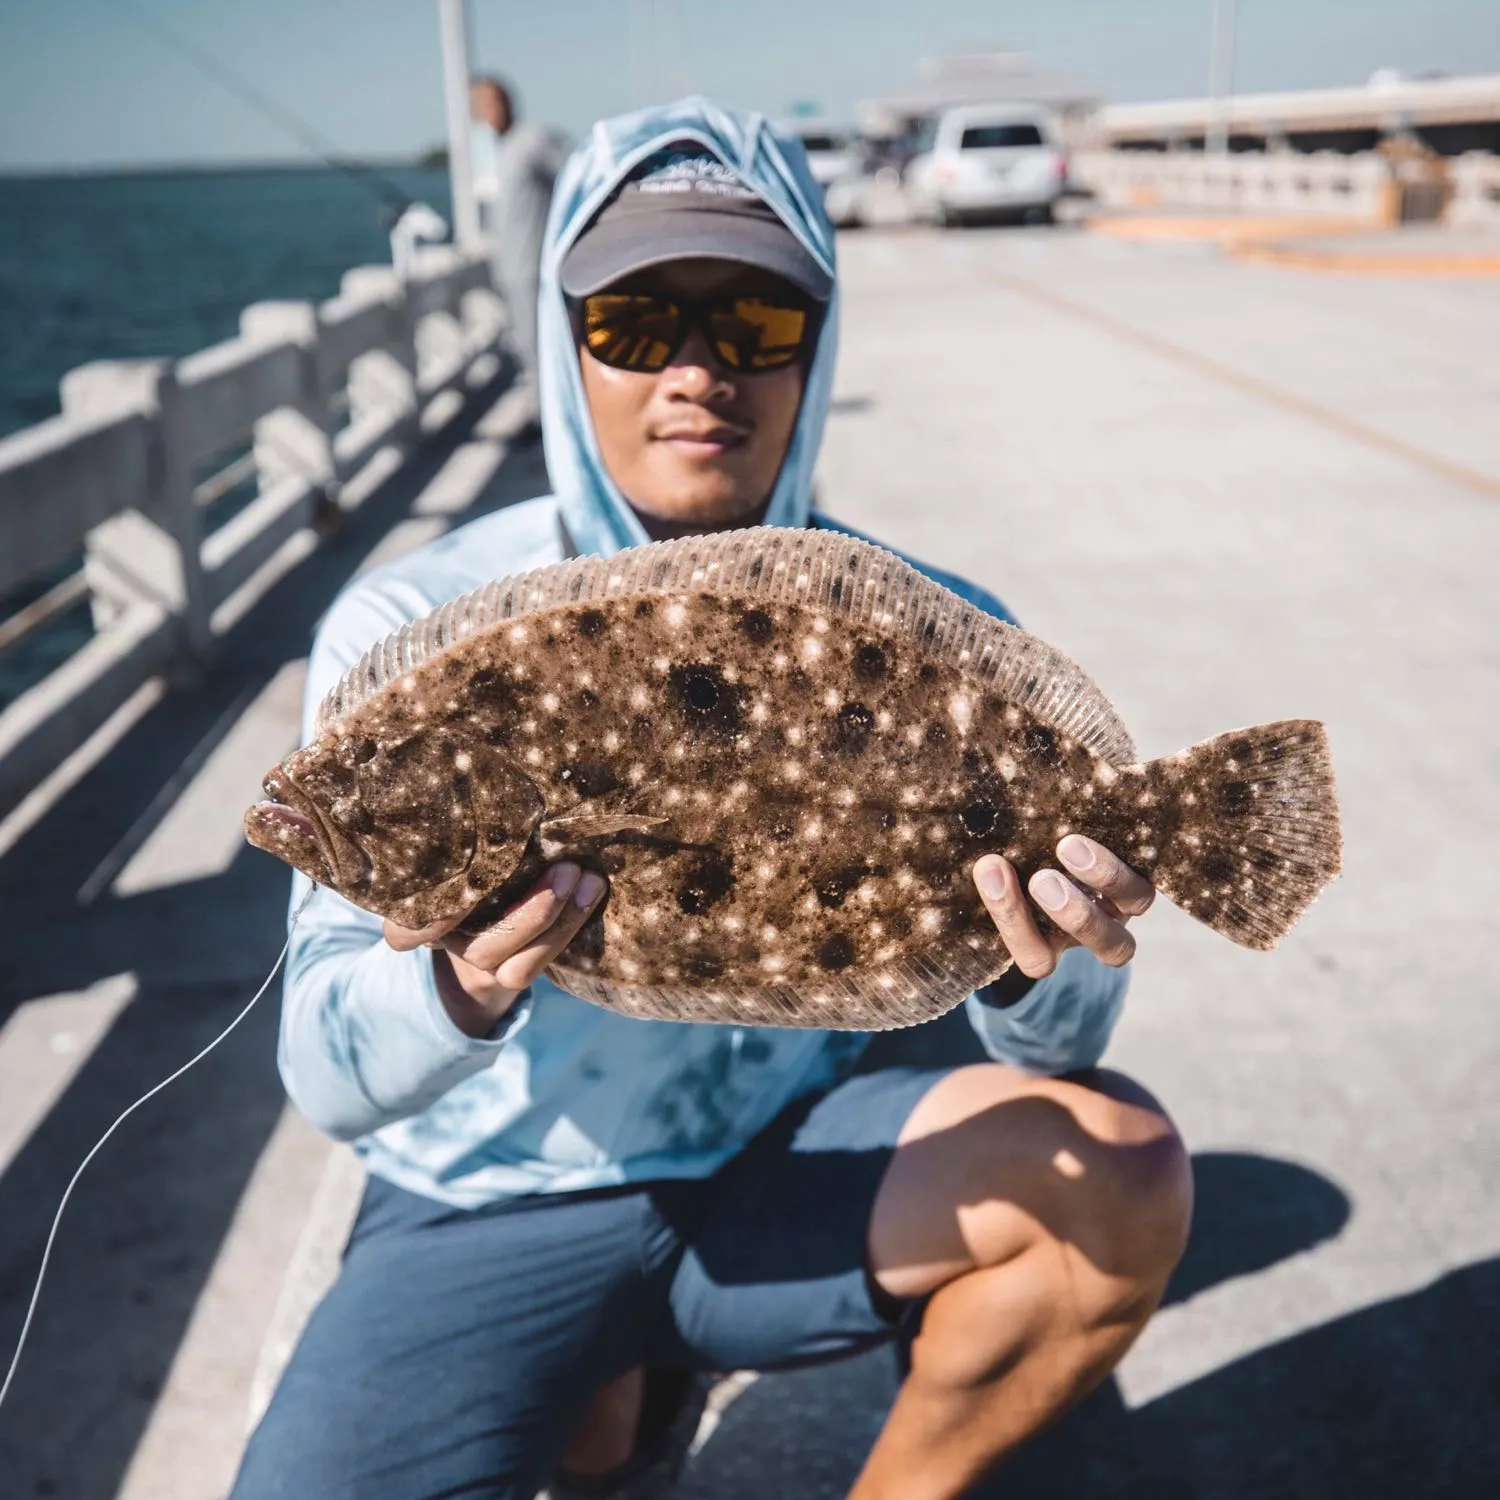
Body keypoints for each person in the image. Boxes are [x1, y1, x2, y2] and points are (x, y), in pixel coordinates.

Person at [231, 98, 1191, 1500]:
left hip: (789, 1145)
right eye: (635, 322)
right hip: (488, 1196)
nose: (697, 372)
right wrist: (452, 992)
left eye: (755, 321)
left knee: (1125, 1171)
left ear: (818, 341)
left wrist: (1055, 959)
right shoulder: (416, 626)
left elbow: (1052, 1052)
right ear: (568, 345)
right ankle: (611, 1392)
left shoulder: (935, 634)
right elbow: (321, 1071)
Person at [469, 74, 570, 404]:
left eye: (489, 102)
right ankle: (540, 411)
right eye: (477, 105)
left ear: (508, 103)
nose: (483, 111)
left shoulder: (535, 141)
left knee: (546, 347)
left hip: (536, 267)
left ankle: (549, 419)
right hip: (508, 269)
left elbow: (576, 179)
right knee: (526, 346)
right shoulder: (491, 152)